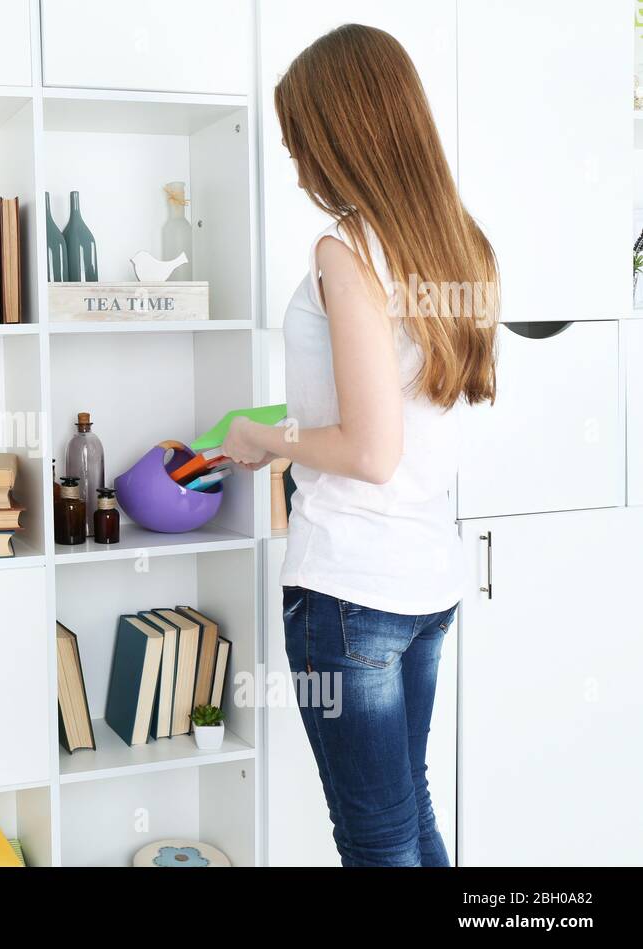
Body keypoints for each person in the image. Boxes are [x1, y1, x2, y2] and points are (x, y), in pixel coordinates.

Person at [222, 23, 499, 866]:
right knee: (406, 813)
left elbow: (371, 449)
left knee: (376, 837)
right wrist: (301, 425)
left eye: (302, 139)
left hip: (349, 590)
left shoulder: (344, 252)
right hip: (424, 582)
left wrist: (264, 437)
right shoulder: (456, 242)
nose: (298, 162)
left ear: (341, 135)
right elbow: (399, 421)